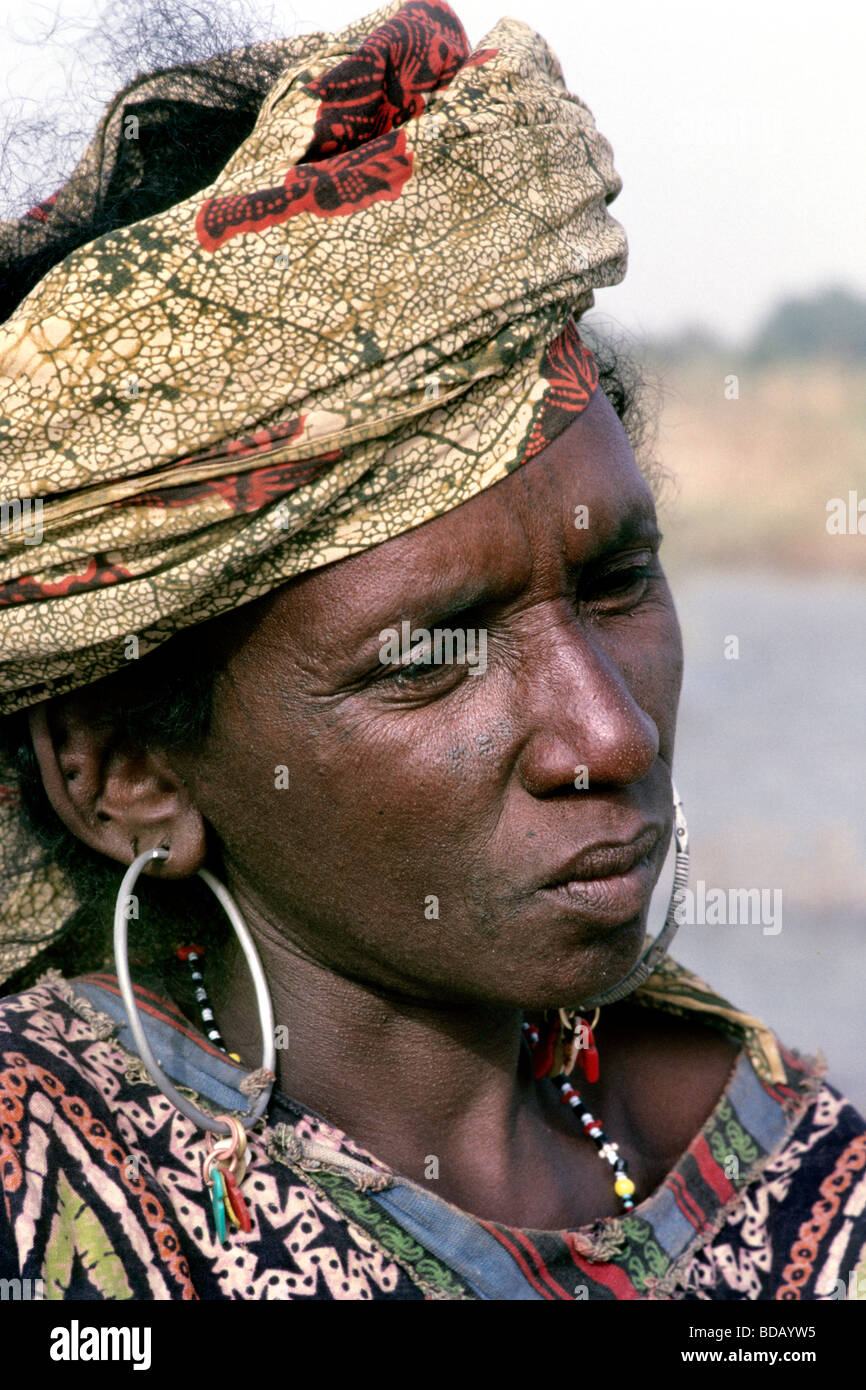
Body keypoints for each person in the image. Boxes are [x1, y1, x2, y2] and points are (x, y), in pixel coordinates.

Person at [0, 0, 863, 1302]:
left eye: (616, 579)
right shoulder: (53, 1200)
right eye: (430, 654)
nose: (610, 734)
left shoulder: (806, 1167)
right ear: (125, 773)